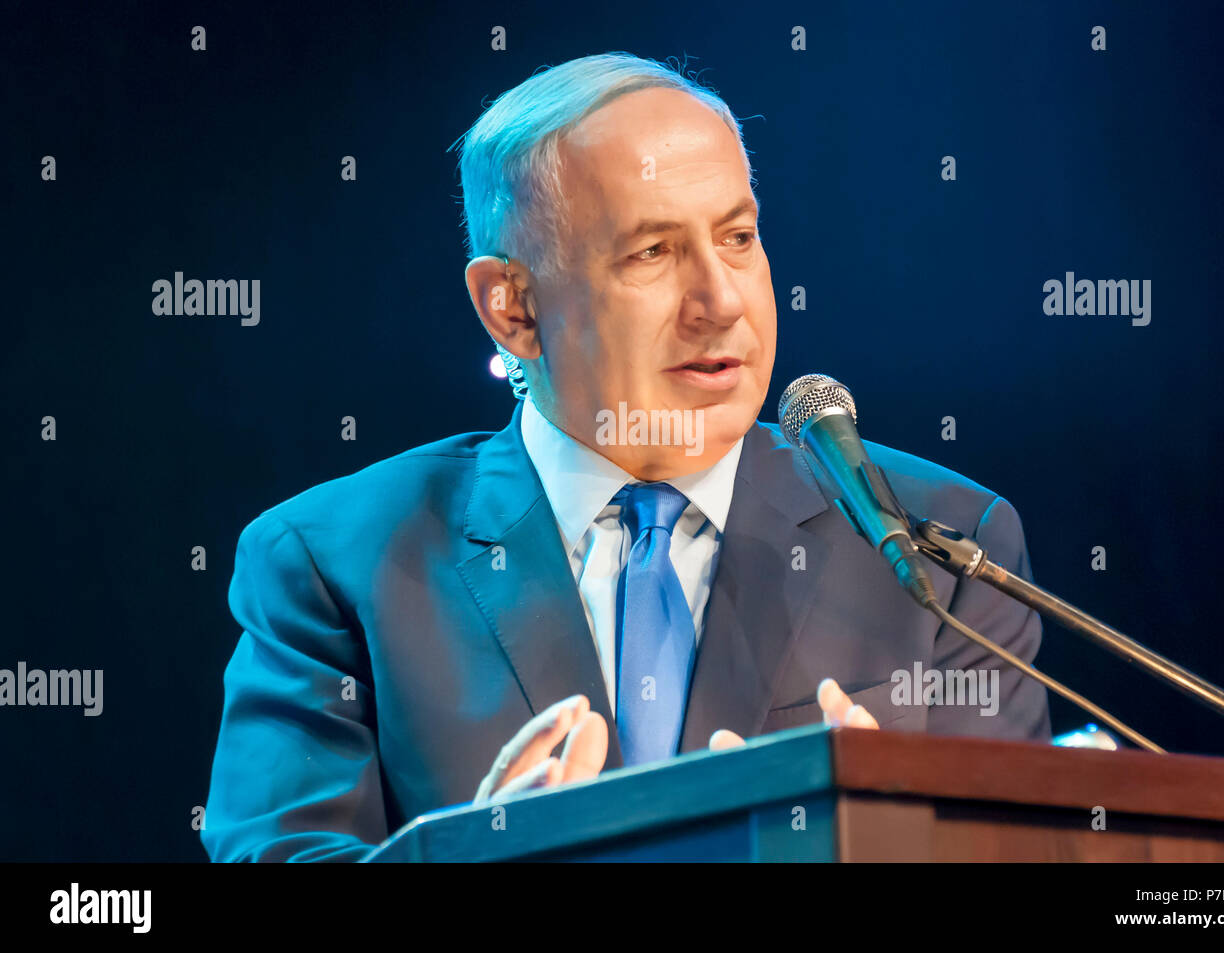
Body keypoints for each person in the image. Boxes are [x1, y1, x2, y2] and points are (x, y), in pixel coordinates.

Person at [201, 51, 1050, 863]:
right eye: (652, 252)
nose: (722, 301)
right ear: (513, 310)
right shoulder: (336, 562)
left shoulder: (940, 548)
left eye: (739, 237)